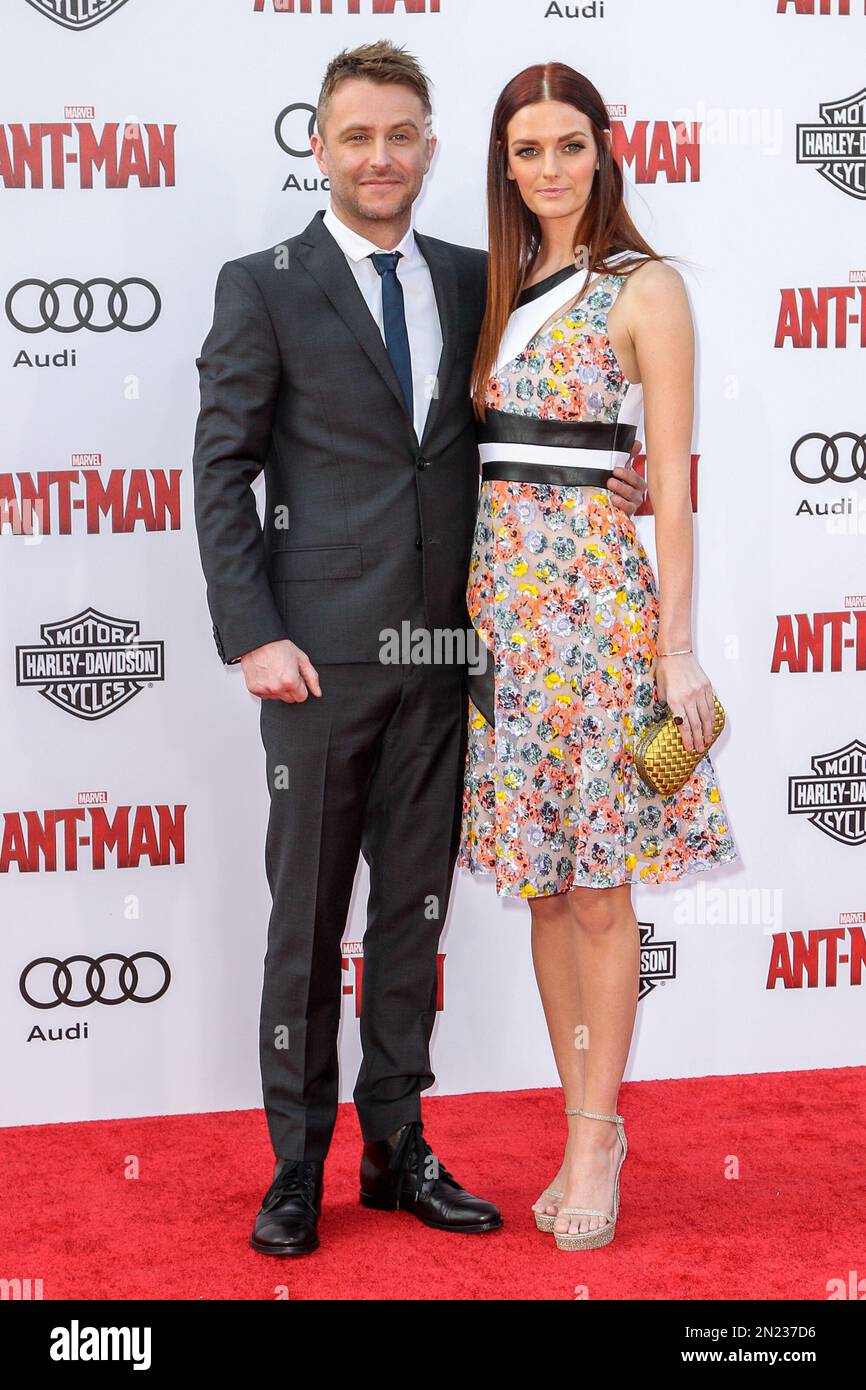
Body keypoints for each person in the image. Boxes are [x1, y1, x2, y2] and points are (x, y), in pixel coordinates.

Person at [192, 41, 649, 1257]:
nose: (379, 156)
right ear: (319, 144)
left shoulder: (474, 277)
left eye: (401, 135)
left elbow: (527, 426)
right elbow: (220, 467)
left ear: (431, 150)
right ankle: (297, 1167)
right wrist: (253, 635)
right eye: (356, 136)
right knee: (304, 923)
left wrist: (625, 474)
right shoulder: (265, 283)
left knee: (413, 914)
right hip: (315, 663)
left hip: (453, 654)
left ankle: (397, 1148)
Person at [458, 63, 739, 1253]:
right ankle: (586, 1120)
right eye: (526, 150)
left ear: (605, 150)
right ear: (505, 166)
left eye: (567, 145)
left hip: (596, 623)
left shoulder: (644, 286)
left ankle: (592, 1133)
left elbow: (667, 484)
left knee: (599, 888)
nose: (548, 169)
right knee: (542, 879)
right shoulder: (502, 283)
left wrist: (674, 649)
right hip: (501, 623)